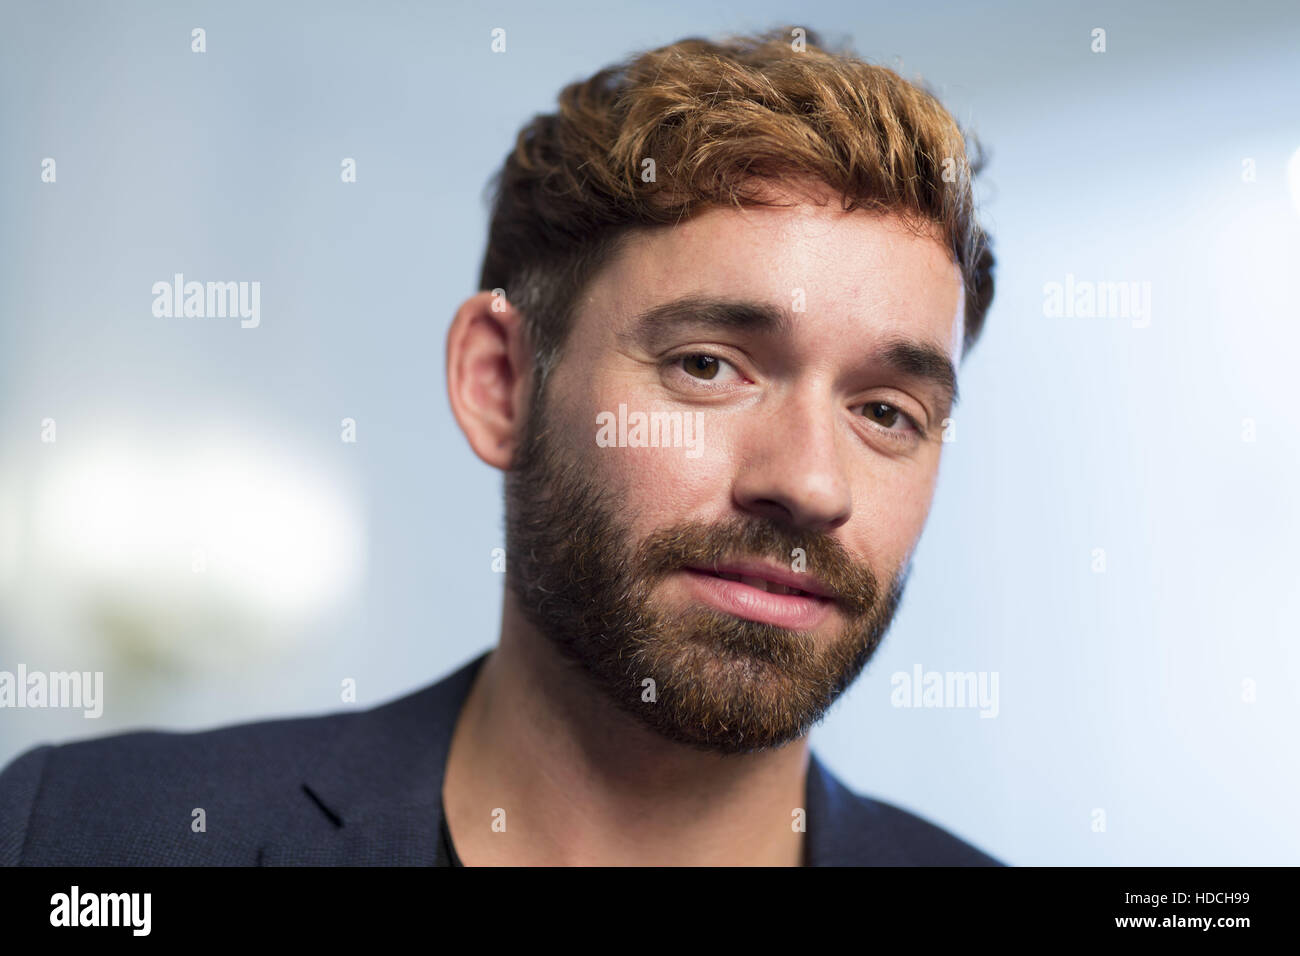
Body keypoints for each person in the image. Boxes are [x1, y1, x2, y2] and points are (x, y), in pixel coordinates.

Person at [0, 25, 1000, 866]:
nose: (809, 482)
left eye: (884, 410)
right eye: (707, 365)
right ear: (501, 382)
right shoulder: (87, 836)